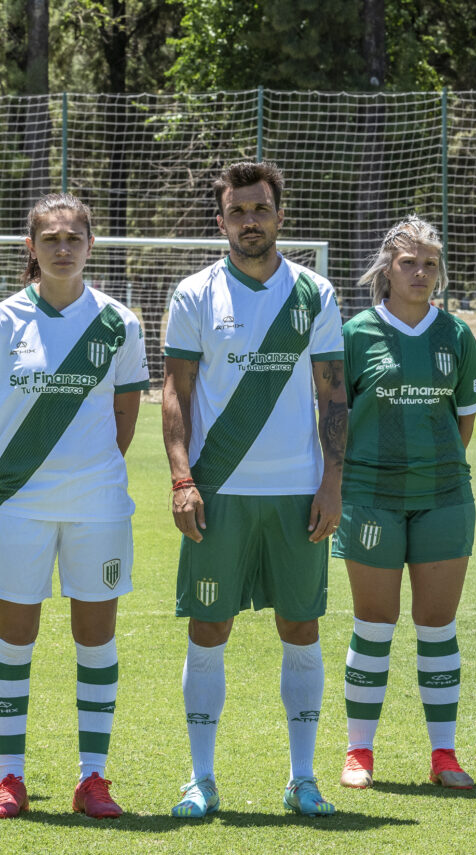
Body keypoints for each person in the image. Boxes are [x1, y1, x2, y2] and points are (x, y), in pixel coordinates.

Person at [162, 161, 347, 818]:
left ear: (279, 214)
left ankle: (303, 778)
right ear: (222, 221)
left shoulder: (315, 295)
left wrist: (332, 479)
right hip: (220, 493)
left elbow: (333, 392)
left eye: (259, 209)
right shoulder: (193, 294)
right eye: (237, 211)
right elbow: (176, 395)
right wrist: (183, 478)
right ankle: (201, 779)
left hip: (298, 492)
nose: (249, 221)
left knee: (301, 626)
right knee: (209, 628)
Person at [0, 194, 149, 819]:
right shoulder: (0, 321)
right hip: (18, 504)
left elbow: (126, 414)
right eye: (51, 239)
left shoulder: (119, 322)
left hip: (98, 505)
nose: (63, 248)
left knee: (95, 641)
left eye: (74, 238)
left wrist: (89, 467)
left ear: (90, 245)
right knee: (13, 640)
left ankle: (92, 778)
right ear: (32, 248)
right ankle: (10, 778)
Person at [331, 216, 476, 791]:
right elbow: (334, 419)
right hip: (369, 499)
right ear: (386, 271)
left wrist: (431, 468)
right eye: (408, 263)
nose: (420, 273)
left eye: (430, 263)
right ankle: (359, 753)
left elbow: (463, 420)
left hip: (444, 497)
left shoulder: (458, 336)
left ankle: (443, 754)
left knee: (437, 626)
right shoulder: (356, 335)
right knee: (373, 625)